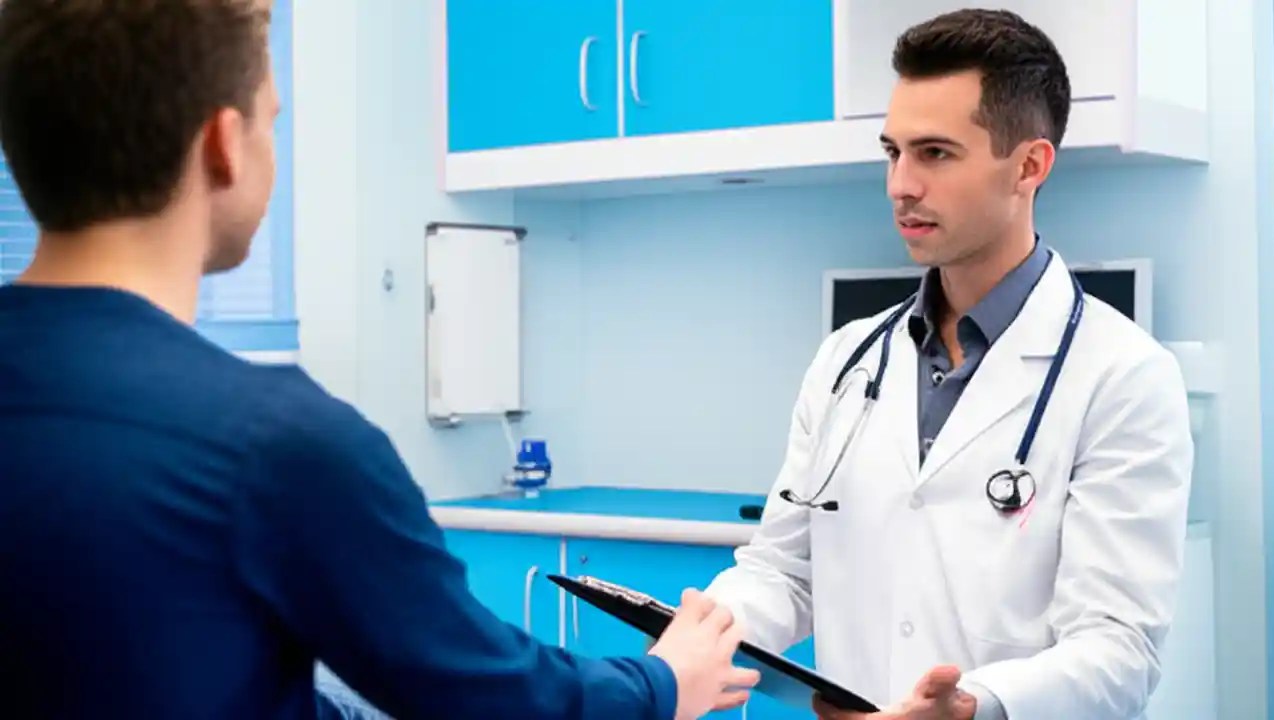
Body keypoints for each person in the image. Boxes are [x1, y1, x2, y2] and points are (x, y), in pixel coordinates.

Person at [0, 2, 759, 719]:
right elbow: (493, 697)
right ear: (222, 145)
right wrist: (663, 683)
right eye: (273, 122)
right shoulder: (273, 442)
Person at [702, 9, 1194, 720]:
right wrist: (702, 634)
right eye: (892, 152)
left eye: (934, 153)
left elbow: (1118, 652)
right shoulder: (846, 362)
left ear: (1029, 166)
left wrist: (975, 708)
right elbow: (785, 571)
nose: (900, 184)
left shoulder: (1123, 377)